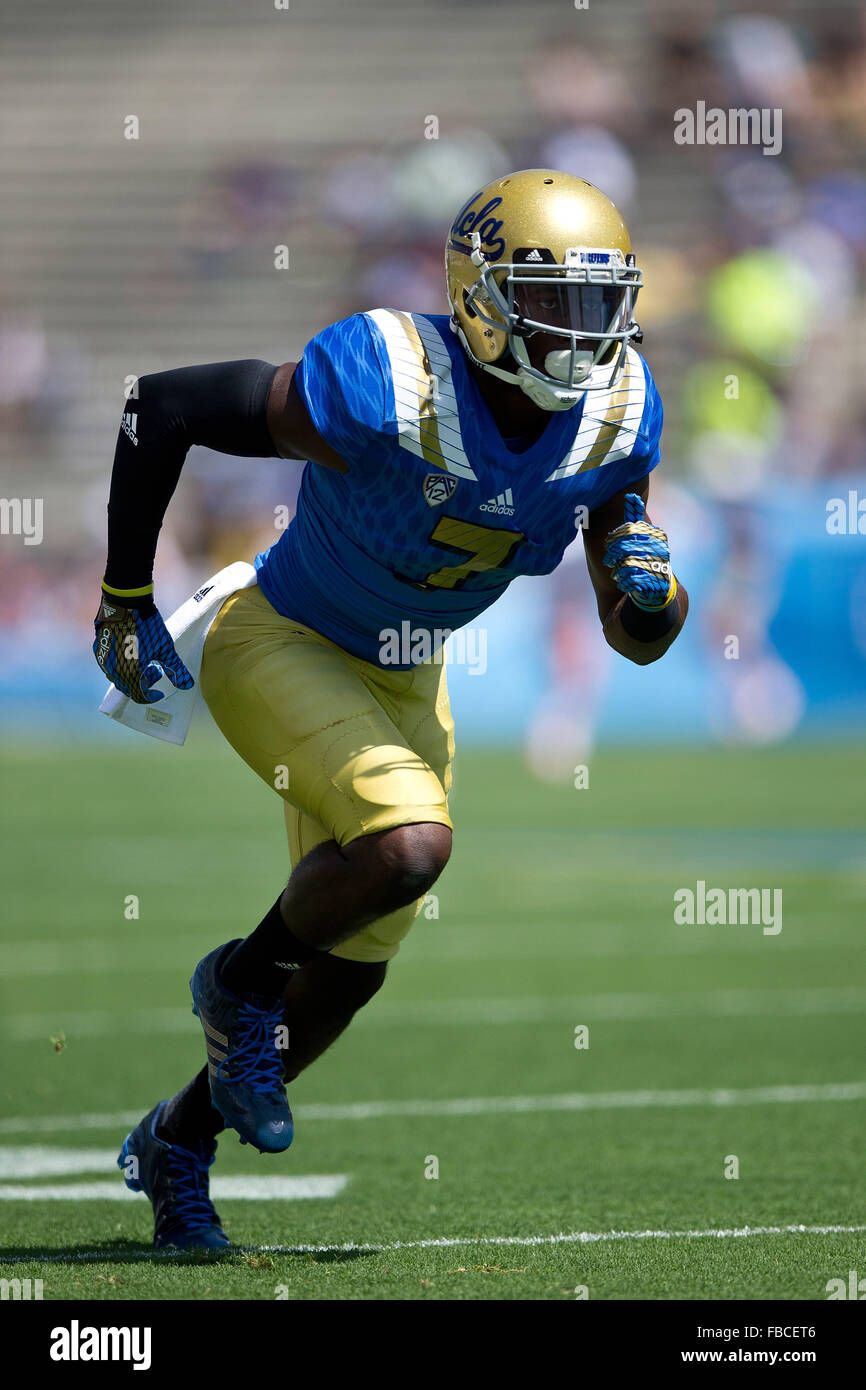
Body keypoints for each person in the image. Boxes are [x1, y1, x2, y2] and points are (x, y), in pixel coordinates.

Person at [93, 168, 688, 1249]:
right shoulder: (390, 376)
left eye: (599, 302)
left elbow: (633, 633)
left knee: (353, 971)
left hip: (410, 675)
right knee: (410, 846)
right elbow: (161, 405)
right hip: (282, 639)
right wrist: (124, 593)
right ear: (480, 300)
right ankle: (235, 981)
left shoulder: (619, 410)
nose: (582, 331)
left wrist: (652, 590)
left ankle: (176, 1143)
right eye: (552, 299)